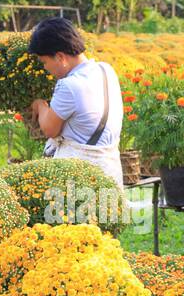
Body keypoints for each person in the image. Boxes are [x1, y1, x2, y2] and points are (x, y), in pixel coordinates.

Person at [27, 17, 124, 186]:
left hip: (80, 177)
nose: (45, 68)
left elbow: (50, 129)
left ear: (60, 57)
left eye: (44, 62)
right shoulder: (106, 69)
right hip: (110, 169)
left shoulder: (69, 85)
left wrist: (41, 106)